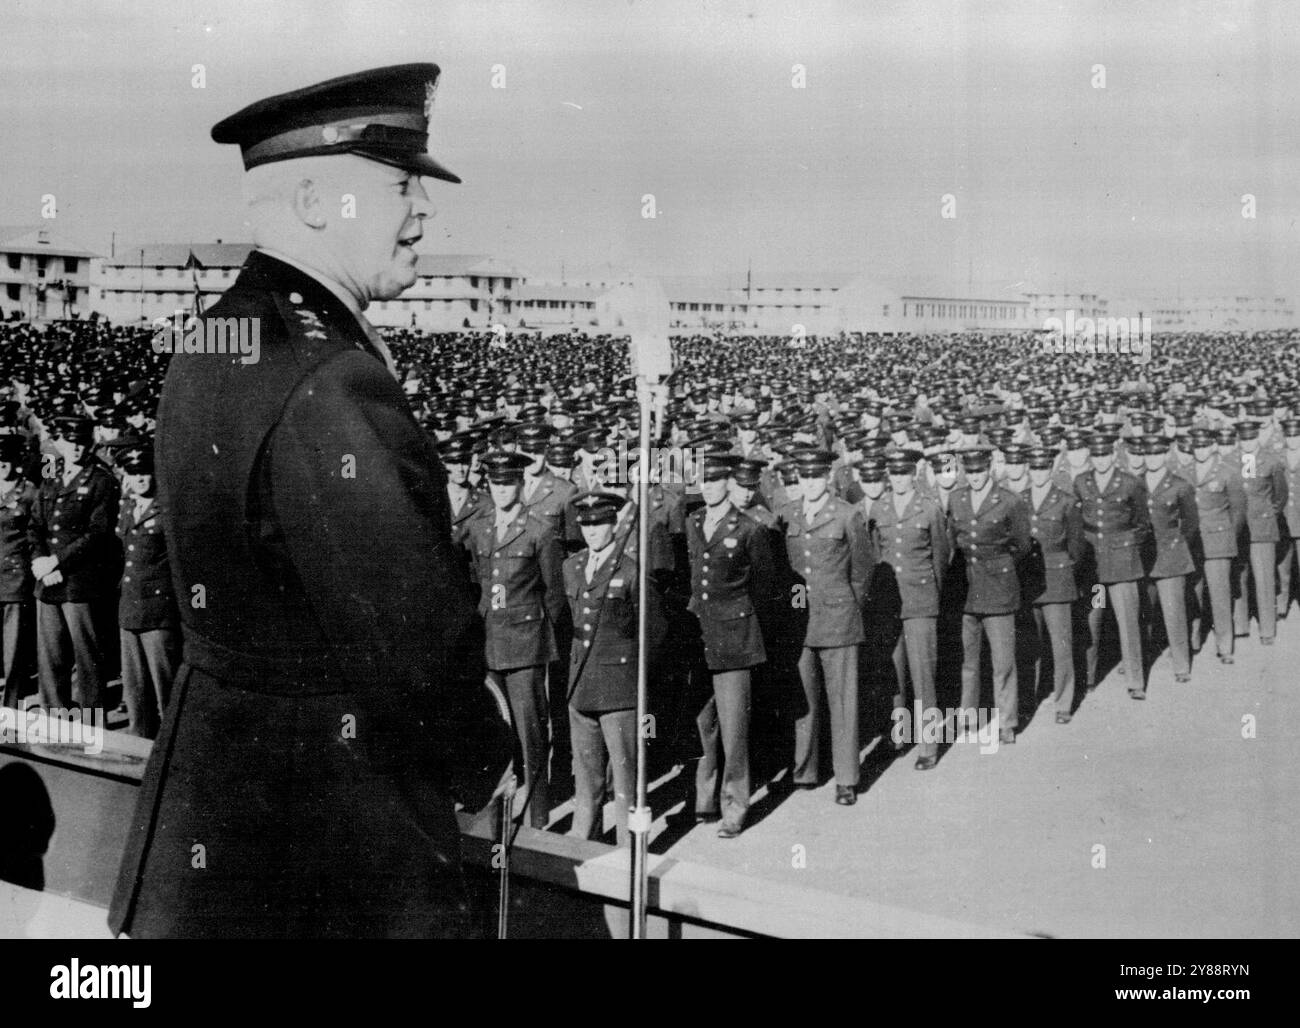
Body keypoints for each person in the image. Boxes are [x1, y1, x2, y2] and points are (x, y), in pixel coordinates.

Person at [111, 65, 512, 940]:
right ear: (314, 202)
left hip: (217, 807)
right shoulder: (333, 377)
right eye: (401, 185)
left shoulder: (215, 334)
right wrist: (486, 757)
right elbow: (409, 631)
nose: (424, 212)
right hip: (331, 834)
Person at [467, 449, 566, 829]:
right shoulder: (480, 527)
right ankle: (499, 808)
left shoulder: (539, 529)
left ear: (521, 484)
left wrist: (537, 636)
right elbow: (480, 582)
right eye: (495, 483)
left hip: (525, 646)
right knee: (496, 732)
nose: (502, 489)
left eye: (509, 482)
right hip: (491, 643)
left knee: (531, 735)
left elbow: (554, 595)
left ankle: (537, 814)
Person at [562, 491, 664, 845]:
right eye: (586, 524)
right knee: (586, 776)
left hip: (619, 688)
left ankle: (626, 847)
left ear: (614, 524)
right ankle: (583, 842)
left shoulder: (632, 569)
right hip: (581, 684)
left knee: (624, 777)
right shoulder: (571, 566)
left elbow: (652, 631)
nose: (592, 531)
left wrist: (636, 682)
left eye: (599, 523)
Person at [687, 452, 774, 837]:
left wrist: (741, 622)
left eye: (714, 480)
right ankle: (705, 800)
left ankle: (735, 807)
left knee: (735, 729)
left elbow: (764, 587)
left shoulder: (749, 529)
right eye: (701, 480)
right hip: (701, 635)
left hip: (735, 637)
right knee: (705, 724)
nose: (706, 486)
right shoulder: (693, 523)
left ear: (729, 483)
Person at [781, 449, 873, 802]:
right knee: (803, 700)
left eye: (817, 476)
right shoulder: (787, 513)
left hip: (838, 619)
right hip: (800, 619)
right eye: (804, 477)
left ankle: (846, 778)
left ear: (828, 478)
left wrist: (847, 606)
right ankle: (805, 770)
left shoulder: (848, 515)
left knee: (843, 702)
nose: (810, 483)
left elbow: (862, 571)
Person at [29, 414, 120, 713]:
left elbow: (98, 535)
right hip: (49, 580)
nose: (76, 448)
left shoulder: (101, 481)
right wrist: (39, 560)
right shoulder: (52, 476)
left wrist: (56, 562)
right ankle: (53, 719)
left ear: (90, 443)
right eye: (70, 442)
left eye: (81, 442)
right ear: (60, 443)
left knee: (87, 659)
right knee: (51, 657)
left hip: (81, 583)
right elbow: (36, 525)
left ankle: (91, 724)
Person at [870, 449, 948, 768]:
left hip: (920, 600)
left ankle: (929, 745)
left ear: (913, 473)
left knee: (923, 674)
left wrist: (932, 597)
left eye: (904, 472)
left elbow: (941, 556)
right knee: (895, 674)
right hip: (890, 602)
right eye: (894, 472)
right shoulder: (880, 506)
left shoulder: (928, 508)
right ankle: (899, 736)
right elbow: (876, 554)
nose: (899, 478)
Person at [948, 446, 1030, 744]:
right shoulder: (956, 499)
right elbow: (952, 539)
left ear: (990, 470)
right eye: (969, 472)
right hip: (966, 588)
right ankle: (968, 716)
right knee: (968, 661)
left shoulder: (1009, 501)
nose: (975, 477)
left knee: (1003, 661)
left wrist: (1000, 566)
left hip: (998, 587)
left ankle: (1006, 721)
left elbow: (1022, 545)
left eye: (979, 471)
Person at [115, 444, 181, 738]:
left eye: (145, 472)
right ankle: (139, 742)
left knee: (164, 686)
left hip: (157, 611)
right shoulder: (127, 507)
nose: (141, 479)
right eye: (134, 473)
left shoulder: (166, 508)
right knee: (135, 689)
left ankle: (170, 745)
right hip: (129, 608)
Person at [1076, 436, 1150, 697]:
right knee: (1093, 621)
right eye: (1096, 456)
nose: (1101, 460)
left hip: (1122, 563)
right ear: (1090, 457)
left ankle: (1135, 682)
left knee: (1128, 623)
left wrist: (1127, 546)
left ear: (1113, 455)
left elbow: (1142, 523)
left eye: (1105, 455)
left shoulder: (1130, 482)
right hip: (1094, 565)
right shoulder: (1082, 481)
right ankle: (1088, 677)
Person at [1024, 446, 1084, 722]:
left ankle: (1063, 703)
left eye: (1042, 468)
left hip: (1057, 580)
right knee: (1031, 645)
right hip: (1029, 581)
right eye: (1033, 468)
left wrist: (1064, 567)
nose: (1038, 473)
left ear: (1050, 470)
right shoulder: (1018, 501)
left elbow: (1077, 546)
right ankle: (1031, 698)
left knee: (1061, 646)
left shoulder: (1066, 501)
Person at [1141, 436, 1199, 683]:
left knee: (1174, 613)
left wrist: (1175, 542)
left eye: (1157, 454)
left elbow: (1191, 522)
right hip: (1142, 556)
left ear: (1165, 455)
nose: (1152, 458)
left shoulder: (1180, 484)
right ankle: (1140, 661)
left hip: (1170, 556)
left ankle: (1181, 665)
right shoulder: (1135, 484)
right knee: (1143, 613)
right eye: (1148, 454)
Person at [0, 434, 37, 708]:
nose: (2, 465)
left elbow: (37, 533)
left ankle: (10, 704)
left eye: (6, 460)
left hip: (15, 578)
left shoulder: (29, 492)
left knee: (13, 647)